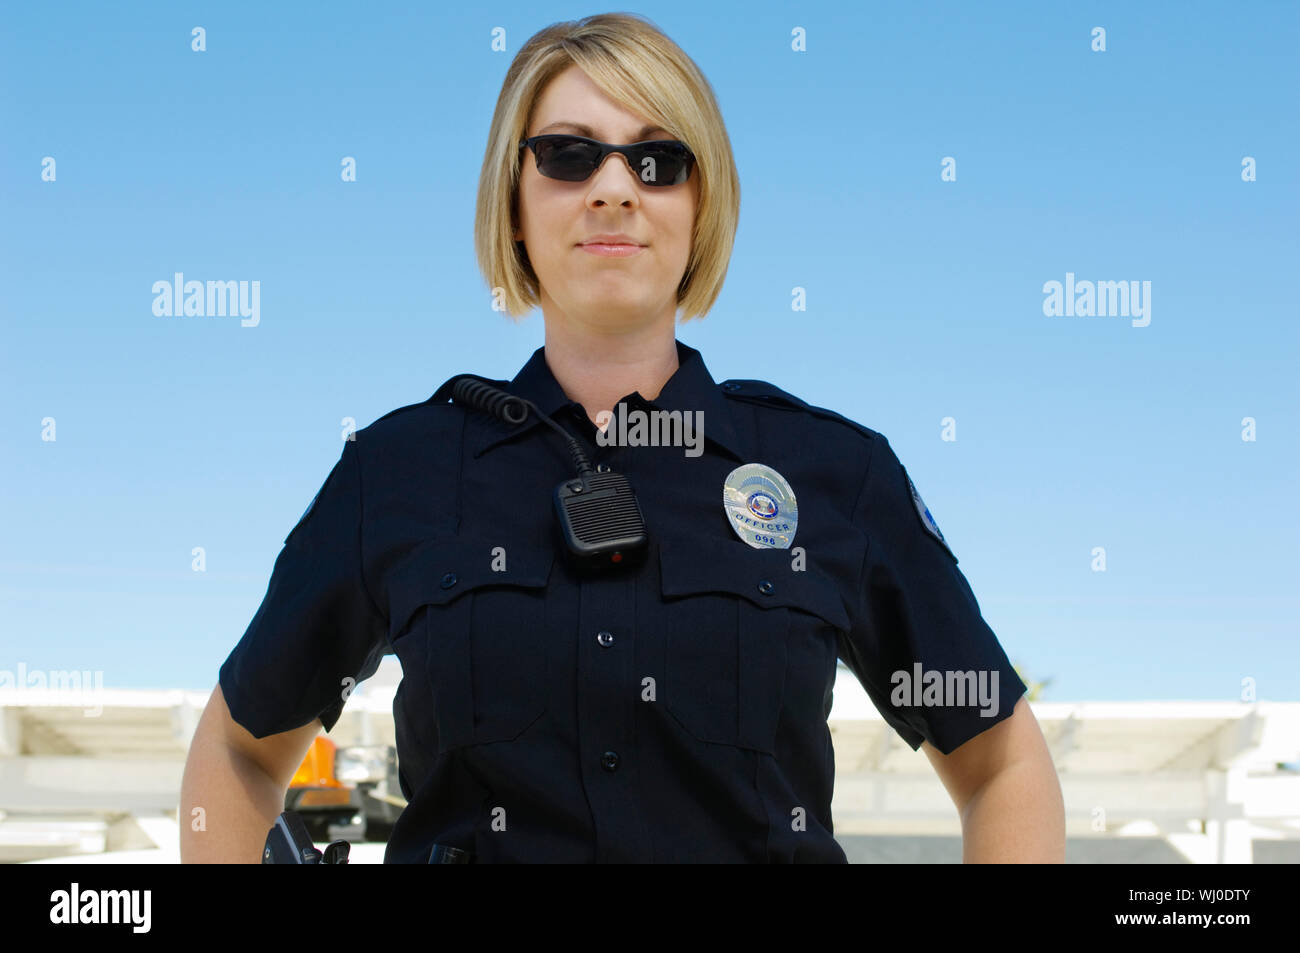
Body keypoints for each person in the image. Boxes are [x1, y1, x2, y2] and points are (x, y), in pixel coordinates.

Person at [180, 12, 1064, 864]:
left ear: (698, 203)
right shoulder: (396, 472)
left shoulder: (837, 473)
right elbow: (239, 750)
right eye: (567, 155)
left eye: (657, 159)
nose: (613, 187)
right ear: (514, 205)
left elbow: (1002, 764)